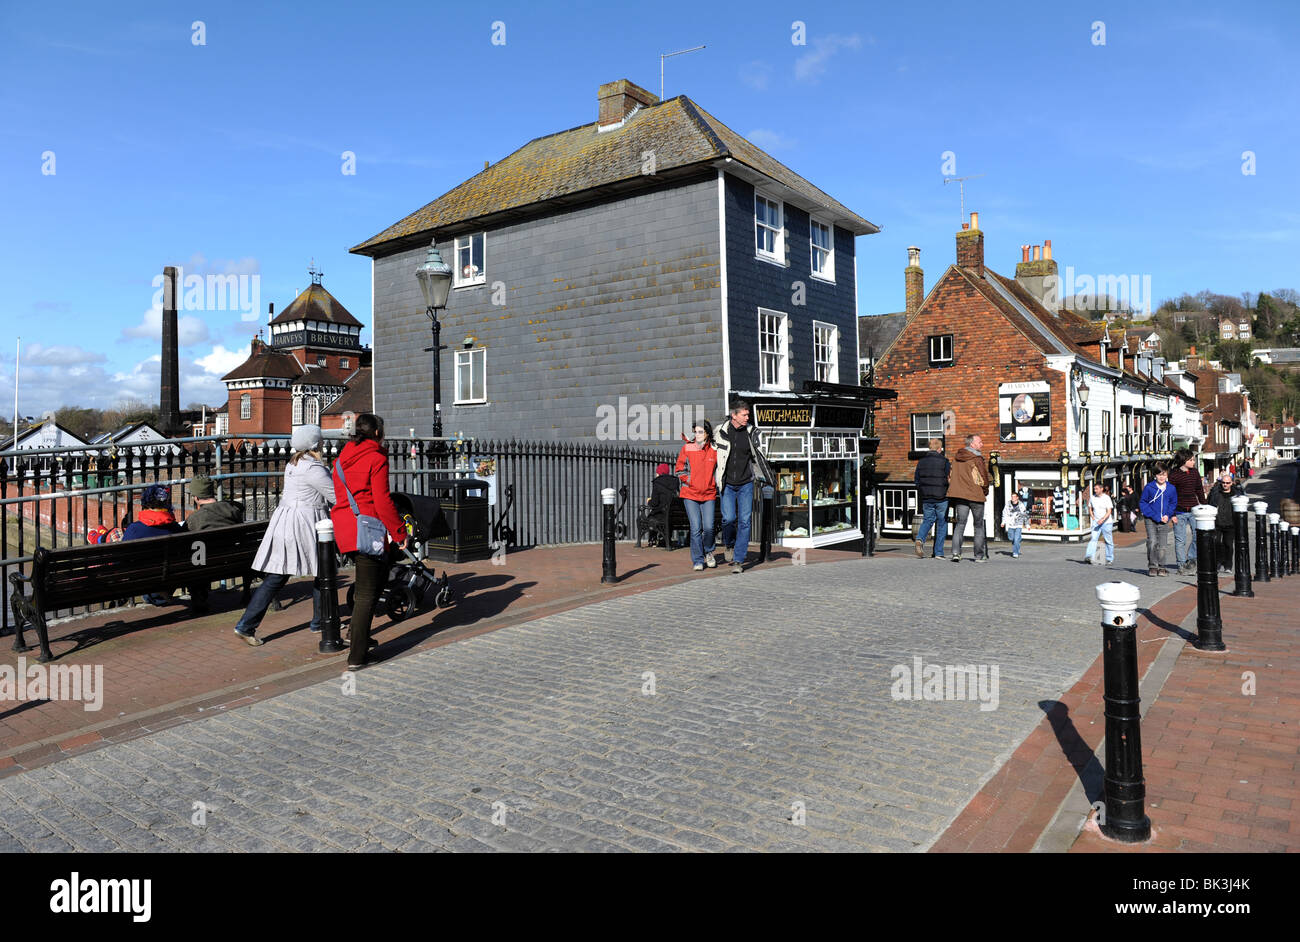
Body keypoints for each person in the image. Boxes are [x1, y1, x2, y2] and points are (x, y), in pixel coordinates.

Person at [232, 425, 335, 646]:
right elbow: (335, 495)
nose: (323, 444)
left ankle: (246, 625)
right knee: (323, 571)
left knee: (277, 576)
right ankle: (320, 622)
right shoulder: (314, 468)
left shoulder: (293, 464)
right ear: (315, 444)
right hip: (305, 522)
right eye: (320, 441)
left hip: (286, 521)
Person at [331, 413, 408, 671]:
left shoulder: (342, 459)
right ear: (377, 433)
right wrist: (399, 533)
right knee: (366, 592)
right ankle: (357, 656)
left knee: (371, 584)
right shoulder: (376, 458)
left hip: (345, 527)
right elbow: (383, 501)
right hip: (368, 529)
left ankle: (358, 637)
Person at [713, 399, 773, 574]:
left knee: (745, 521)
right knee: (729, 519)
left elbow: (759, 457)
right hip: (727, 485)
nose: (747, 417)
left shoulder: (752, 433)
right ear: (734, 415)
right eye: (744, 414)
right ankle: (729, 545)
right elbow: (709, 452)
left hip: (746, 483)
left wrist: (764, 476)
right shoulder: (721, 432)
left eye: (748, 414)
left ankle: (739, 560)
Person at [184, 475, 245, 615]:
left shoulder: (194, 519)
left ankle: (200, 600)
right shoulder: (233, 510)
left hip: (206, 565)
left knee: (195, 559)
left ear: (197, 498)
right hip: (234, 561)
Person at [123, 484, 185, 605]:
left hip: (146, 581)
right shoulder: (176, 528)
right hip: (171, 578)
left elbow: (120, 560)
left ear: (145, 504)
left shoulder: (135, 529)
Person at [675, 420, 718, 571]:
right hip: (690, 494)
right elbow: (679, 469)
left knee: (709, 527)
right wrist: (690, 481)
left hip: (709, 494)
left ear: (707, 433)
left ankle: (709, 552)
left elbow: (720, 470)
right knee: (696, 528)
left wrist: (714, 484)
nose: (697, 435)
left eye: (701, 432)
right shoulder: (687, 448)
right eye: (696, 431)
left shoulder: (714, 449)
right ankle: (698, 560)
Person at [946, 434, 991, 563]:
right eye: (980, 442)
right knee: (978, 526)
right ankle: (978, 556)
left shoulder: (956, 458)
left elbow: (950, 476)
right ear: (972, 444)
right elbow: (984, 477)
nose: (982, 444)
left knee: (960, 524)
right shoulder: (977, 458)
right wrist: (985, 491)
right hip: (975, 495)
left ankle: (955, 553)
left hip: (960, 496)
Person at [1168, 449, 1205, 575]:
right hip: (1179, 512)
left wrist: (1204, 506)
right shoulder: (1173, 474)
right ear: (1183, 461)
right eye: (1191, 460)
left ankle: (1191, 559)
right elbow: (1170, 496)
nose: (1193, 462)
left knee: (1198, 536)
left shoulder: (1195, 473)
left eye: (1193, 459)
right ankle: (1181, 565)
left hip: (1194, 510)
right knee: (1180, 540)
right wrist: (1172, 514)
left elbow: (1199, 490)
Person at [913, 438, 950, 558]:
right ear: (940, 449)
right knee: (942, 523)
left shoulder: (921, 462)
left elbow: (917, 480)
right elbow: (949, 479)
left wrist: (923, 491)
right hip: (942, 497)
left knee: (928, 520)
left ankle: (919, 539)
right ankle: (939, 552)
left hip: (926, 497)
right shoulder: (944, 461)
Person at [1140, 462, 1178, 576]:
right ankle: (1152, 566)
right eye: (1159, 474)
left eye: (1164, 474)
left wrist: (1168, 514)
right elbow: (1143, 503)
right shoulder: (1149, 487)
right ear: (1155, 475)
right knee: (1152, 542)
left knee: (1162, 545)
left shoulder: (1171, 488)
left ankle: (1162, 567)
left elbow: (1173, 503)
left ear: (1167, 475)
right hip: (1150, 519)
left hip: (1164, 520)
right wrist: (1156, 516)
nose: (1161, 477)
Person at [1207, 470, 1244, 573]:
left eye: (1227, 483)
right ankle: (1218, 562)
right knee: (1217, 543)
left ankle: (1228, 565)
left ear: (1231, 483)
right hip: (1217, 523)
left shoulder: (1236, 494)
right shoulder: (1215, 492)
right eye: (1223, 482)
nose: (1225, 485)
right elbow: (1210, 503)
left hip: (1231, 523)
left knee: (1228, 545)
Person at [644, 462, 681, 545]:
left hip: (661, 514)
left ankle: (652, 539)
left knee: (651, 517)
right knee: (667, 516)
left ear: (659, 473)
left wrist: (649, 501)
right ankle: (665, 539)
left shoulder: (657, 482)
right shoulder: (675, 481)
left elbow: (654, 503)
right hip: (674, 516)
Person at [1083, 482, 1115, 566]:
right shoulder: (1092, 498)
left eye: (1096, 489)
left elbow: (1109, 511)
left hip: (1106, 522)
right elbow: (1090, 508)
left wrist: (1103, 519)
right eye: (1094, 489)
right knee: (1093, 539)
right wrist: (1093, 517)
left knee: (1108, 541)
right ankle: (1089, 556)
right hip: (1096, 522)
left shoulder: (1106, 498)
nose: (1095, 490)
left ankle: (1109, 558)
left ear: (1101, 489)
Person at [1001, 490, 1029, 558]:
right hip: (1011, 524)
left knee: (1016, 539)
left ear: (1017, 498)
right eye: (1012, 497)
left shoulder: (1021, 505)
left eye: (1014, 497)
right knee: (1011, 538)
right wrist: (1003, 522)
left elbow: (1025, 515)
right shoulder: (1008, 504)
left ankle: (1015, 552)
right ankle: (1018, 542)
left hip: (1018, 524)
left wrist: (1027, 524)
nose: (1013, 498)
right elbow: (1004, 513)